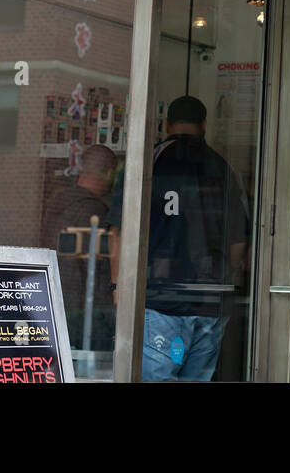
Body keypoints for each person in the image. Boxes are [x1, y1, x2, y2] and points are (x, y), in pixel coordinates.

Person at [107, 96, 250, 382]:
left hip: (159, 299)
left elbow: (118, 232)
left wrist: (117, 286)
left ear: (166, 124)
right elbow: (238, 242)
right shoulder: (222, 168)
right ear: (204, 125)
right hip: (210, 301)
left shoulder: (147, 163)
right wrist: (222, 276)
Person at [41, 144, 118, 351]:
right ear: (109, 173)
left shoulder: (55, 204)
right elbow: (100, 272)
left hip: (53, 306)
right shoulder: (96, 212)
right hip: (85, 316)